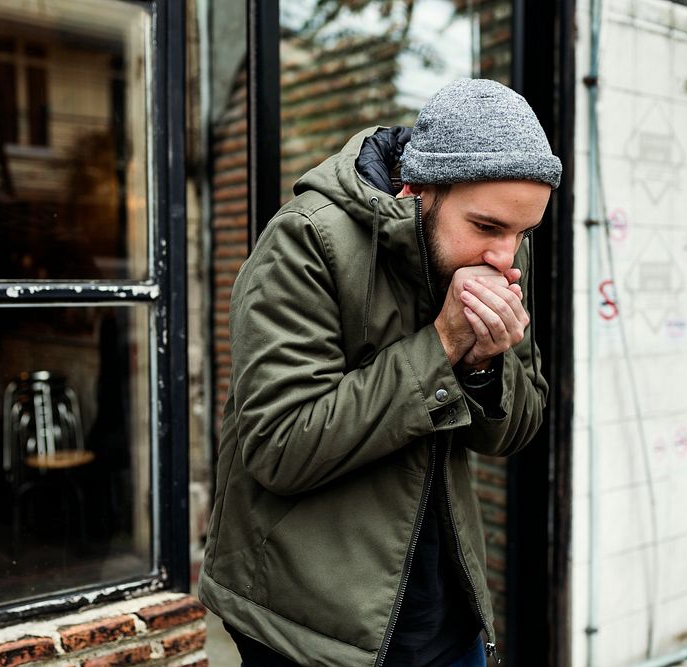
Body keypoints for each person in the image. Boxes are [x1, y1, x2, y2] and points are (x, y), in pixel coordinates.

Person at [198, 78, 562, 667]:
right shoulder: (307, 240)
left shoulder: (499, 257)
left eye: (524, 234)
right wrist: (442, 346)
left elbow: (515, 432)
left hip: (445, 612)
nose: (506, 256)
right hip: (306, 625)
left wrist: (483, 365)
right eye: (488, 228)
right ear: (418, 189)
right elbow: (279, 445)